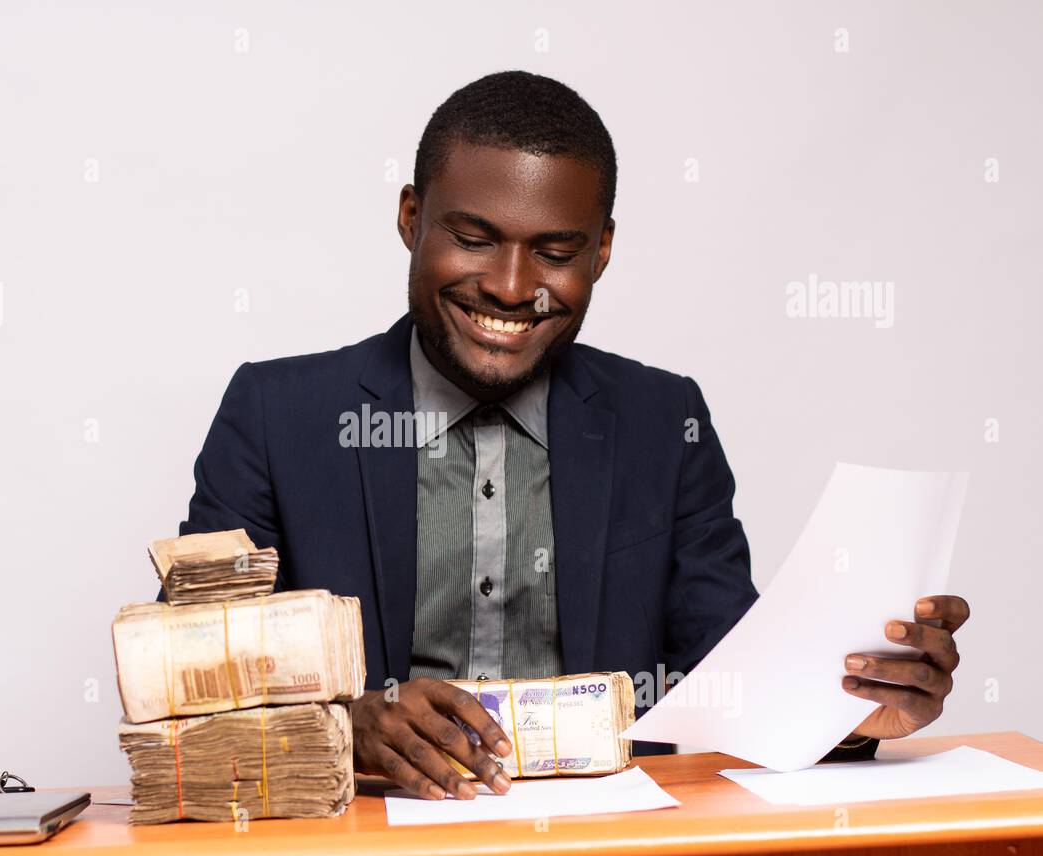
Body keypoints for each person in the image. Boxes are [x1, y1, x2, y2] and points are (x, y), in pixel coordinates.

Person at [175, 71, 970, 800]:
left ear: (602, 250)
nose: (513, 288)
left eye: (555, 253)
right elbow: (190, 683)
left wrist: (853, 716)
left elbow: (728, 686)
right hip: (369, 850)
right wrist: (345, 725)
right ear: (411, 218)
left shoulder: (666, 423)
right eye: (476, 238)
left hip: (613, 849)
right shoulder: (278, 415)